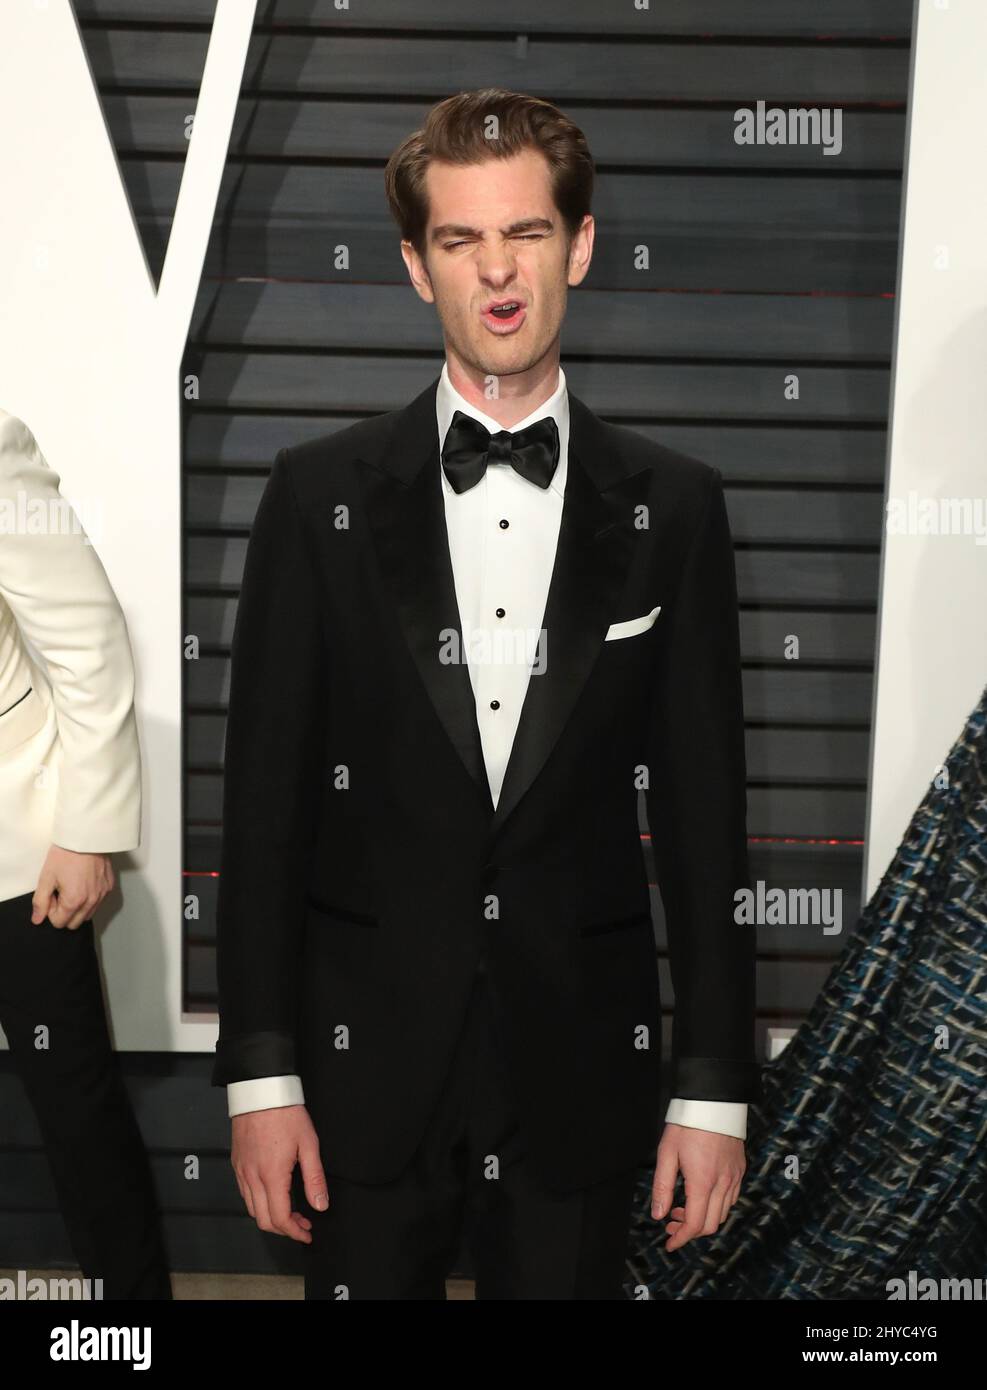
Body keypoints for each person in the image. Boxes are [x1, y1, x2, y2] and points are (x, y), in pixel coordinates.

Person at [213, 87, 760, 1300]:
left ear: (581, 245)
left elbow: (706, 815)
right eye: (460, 240)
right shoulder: (316, 501)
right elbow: (262, 812)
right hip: (361, 1075)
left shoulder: (675, 505)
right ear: (416, 267)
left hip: (581, 1066)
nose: (496, 272)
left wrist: (713, 1083)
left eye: (523, 233)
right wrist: (261, 1076)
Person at [0, 409, 170, 1300]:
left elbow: (86, 634)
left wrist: (87, 829)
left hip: (16, 854)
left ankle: (127, 1339)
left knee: (78, 1116)